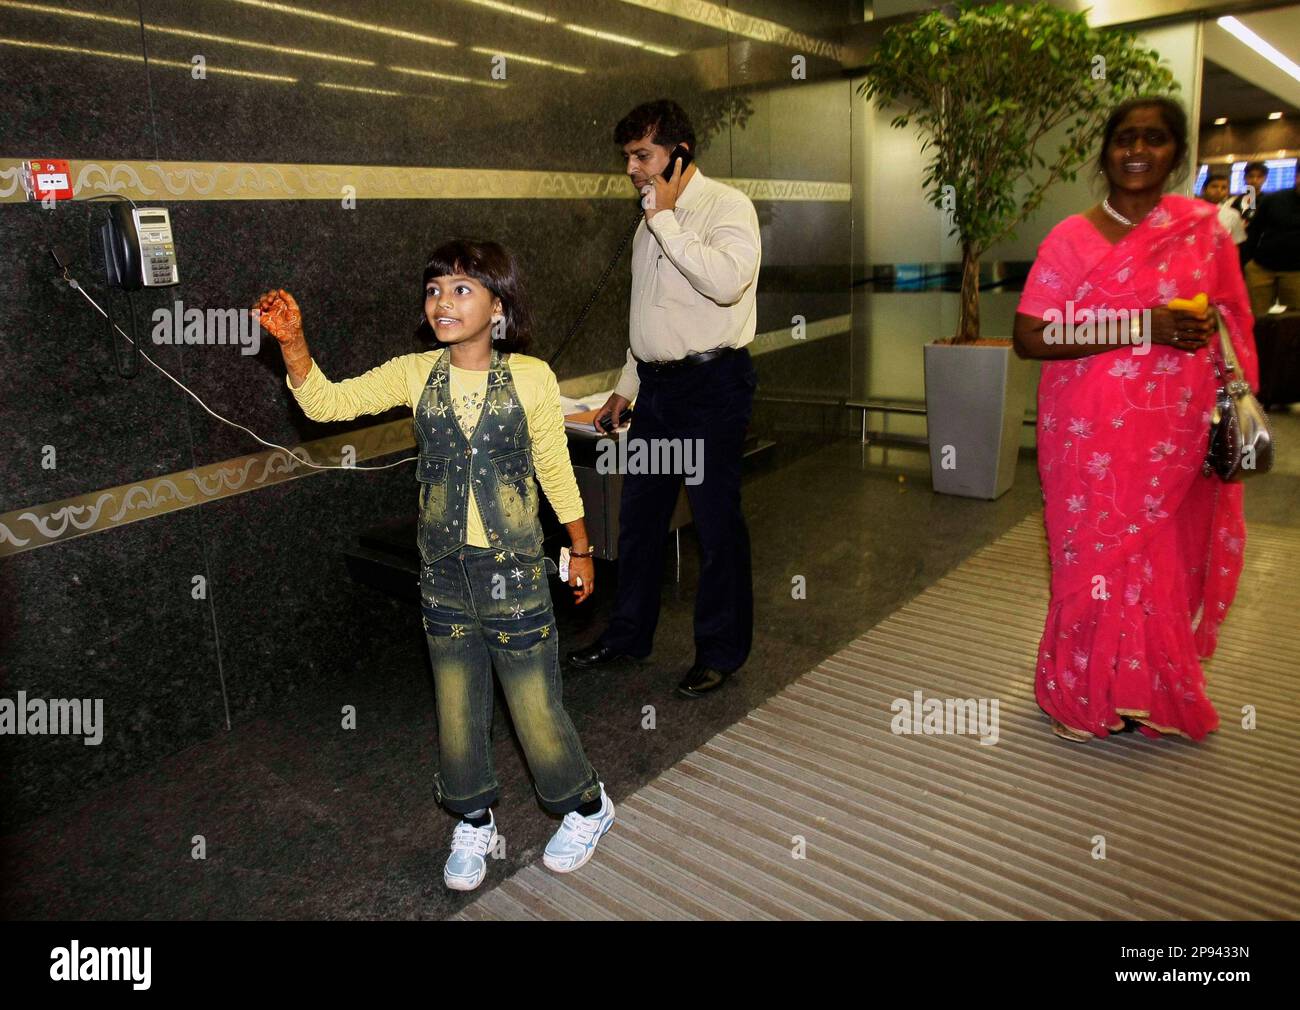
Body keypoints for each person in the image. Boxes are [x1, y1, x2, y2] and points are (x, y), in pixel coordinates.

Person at [253, 239, 614, 891]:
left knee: (533, 707)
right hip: (444, 573)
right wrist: (294, 343)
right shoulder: (415, 373)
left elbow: (555, 468)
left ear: (498, 306)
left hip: (515, 572)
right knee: (456, 706)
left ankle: (587, 805)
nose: (444, 302)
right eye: (435, 290)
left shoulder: (531, 377)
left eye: (463, 289)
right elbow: (325, 404)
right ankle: (475, 821)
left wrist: (581, 548)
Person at [1012, 96, 1259, 742]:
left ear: (1177, 153)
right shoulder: (1070, 238)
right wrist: (1141, 325)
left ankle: (1147, 689)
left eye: (1154, 138)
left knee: (1158, 559)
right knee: (1090, 560)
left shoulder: (1204, 231)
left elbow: (1234, 319)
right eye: (1124, 138)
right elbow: (1030, 335)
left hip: (1170, 434)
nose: (1137, 150)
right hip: (1085, 433)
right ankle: (1081, 690)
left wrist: (1203, 326)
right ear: (1106, 150)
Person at [568, 99, 762, 700]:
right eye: (628, 156)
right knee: (640, 519)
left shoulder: (725, 207)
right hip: (658, 393)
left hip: (712, 388)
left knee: (713, 522)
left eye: (642, 156)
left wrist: (669, 220)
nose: (632, 168)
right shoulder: (648, 223)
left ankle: (721, 651)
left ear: (679, 154)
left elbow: (728, 283)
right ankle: (628, 635)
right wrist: (627, 388)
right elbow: (645, 317)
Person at [1241, 170, 1300, 315]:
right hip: (1261, 267)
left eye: (1259, 176)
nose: (1255, 180)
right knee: (1254, 318)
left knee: (1293, 322)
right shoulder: (1274, 199)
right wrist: (1244, 264)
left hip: (1296, 272)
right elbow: (1254, 232)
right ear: (1297, 177)